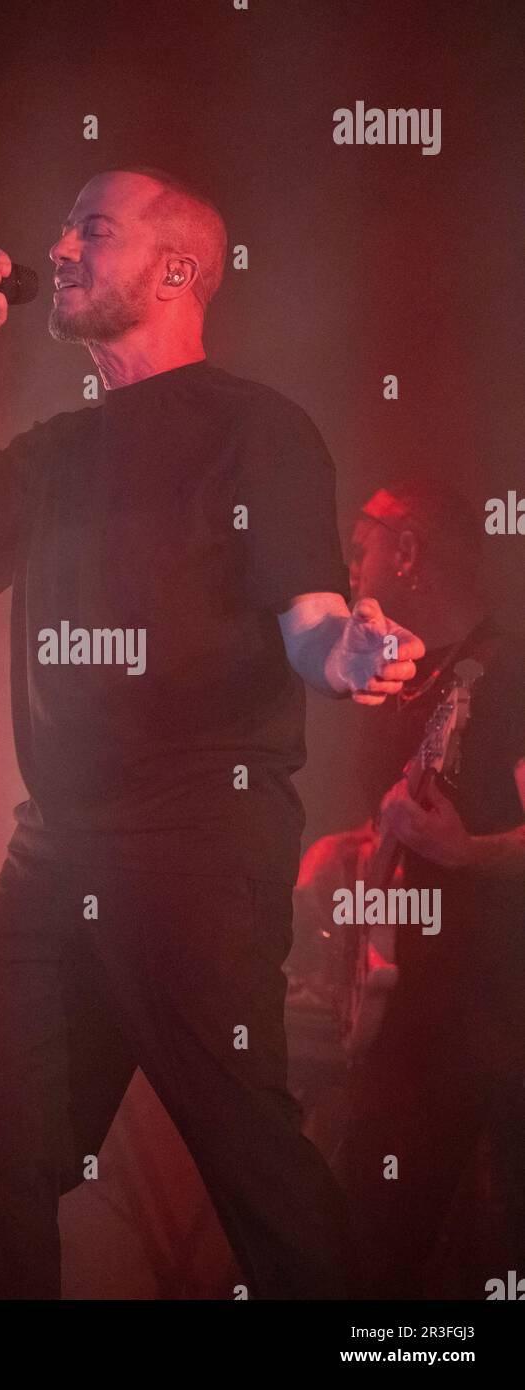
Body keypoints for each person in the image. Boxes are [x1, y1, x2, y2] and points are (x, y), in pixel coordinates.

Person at [0, 166, 422, 1299]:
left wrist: (350, 657)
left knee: (249, 1157)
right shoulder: (60, 449)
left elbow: (310, 618)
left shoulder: (255, 429)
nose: (57, 249)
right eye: (61, 225)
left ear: (176, 270)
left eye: (91, 231)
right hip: (52, 849)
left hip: (195, 845)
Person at [296, 478, 525, 1299]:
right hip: (408, 1017)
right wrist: (349, 847)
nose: (351, 563)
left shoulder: (506, 675)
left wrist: (468, 853)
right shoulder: (409, 678)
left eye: (363, 542)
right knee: (362, 1252)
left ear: (410, 548)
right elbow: (410, 830)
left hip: (490, 1018)